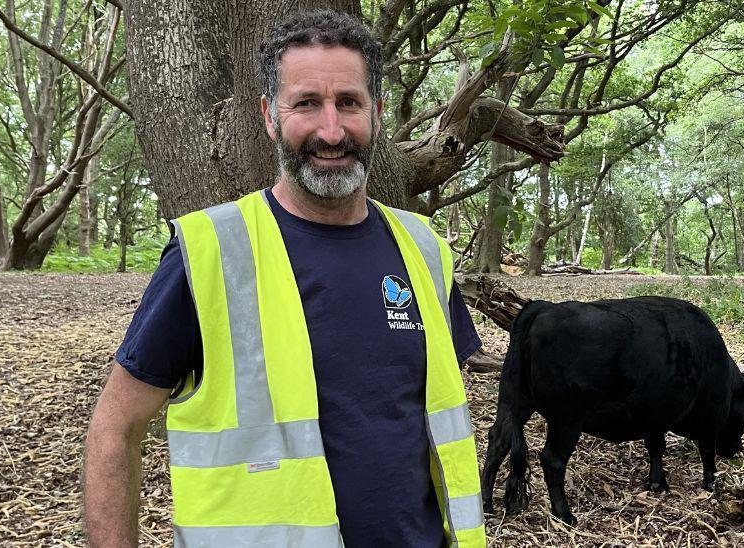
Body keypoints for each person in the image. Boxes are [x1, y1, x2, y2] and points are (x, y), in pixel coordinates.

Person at [83, 10, 486, 548]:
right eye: (306, 103)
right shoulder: (211, 251)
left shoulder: (425, 250)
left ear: (377, 112)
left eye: (349, 102)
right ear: (270, 116)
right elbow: (116, 428)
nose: (331, 130)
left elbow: (429, 423)